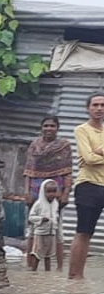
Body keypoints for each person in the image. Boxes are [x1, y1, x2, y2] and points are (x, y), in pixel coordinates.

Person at [67, 93, 104, 279]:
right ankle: (75, 277)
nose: (99, 108)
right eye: (95, 105)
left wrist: (99, 151)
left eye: (102, 105)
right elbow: (88, 159)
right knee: (84, 232)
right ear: (88, 108)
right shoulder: (82, 130)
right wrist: (95, 154)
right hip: (88, 185)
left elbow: (93, 156)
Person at [23, 116, 72, 206]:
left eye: (52, 126)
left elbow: (67, 171)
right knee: (35, 216)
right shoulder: (34, 145)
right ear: (41, 128)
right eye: (46, 126)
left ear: (57, 128)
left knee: (53, 215)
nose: (49, 128)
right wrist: (26, 192)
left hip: (56, 187)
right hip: (36, 187)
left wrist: (66, 193)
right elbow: (28, 170)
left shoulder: (64, 145)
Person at [27, 178, 63, 272]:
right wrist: (41, 219)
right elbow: (31, 217)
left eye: (54, 191)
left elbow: (56, 216)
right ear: (43, 192)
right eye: (49, 191)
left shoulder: (55, 204)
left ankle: (47, 274)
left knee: (49, 255)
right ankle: (33, 273)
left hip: (51, 234)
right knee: (37, 254)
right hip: (40, 234)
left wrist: (55, 224)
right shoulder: (38, 204)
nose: (52, 194)